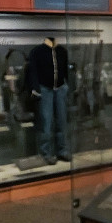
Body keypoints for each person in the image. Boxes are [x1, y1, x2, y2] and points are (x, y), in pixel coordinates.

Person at [28, 37, 71, 165]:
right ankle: (46, 153)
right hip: (44, 89)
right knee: (46, 122)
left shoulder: (62, 51)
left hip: (60, 88)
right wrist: (35, 88)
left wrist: (68, 86)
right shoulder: (37, 51)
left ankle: (62, 151)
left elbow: (66, 70)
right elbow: (33, 71)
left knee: (62, 121)